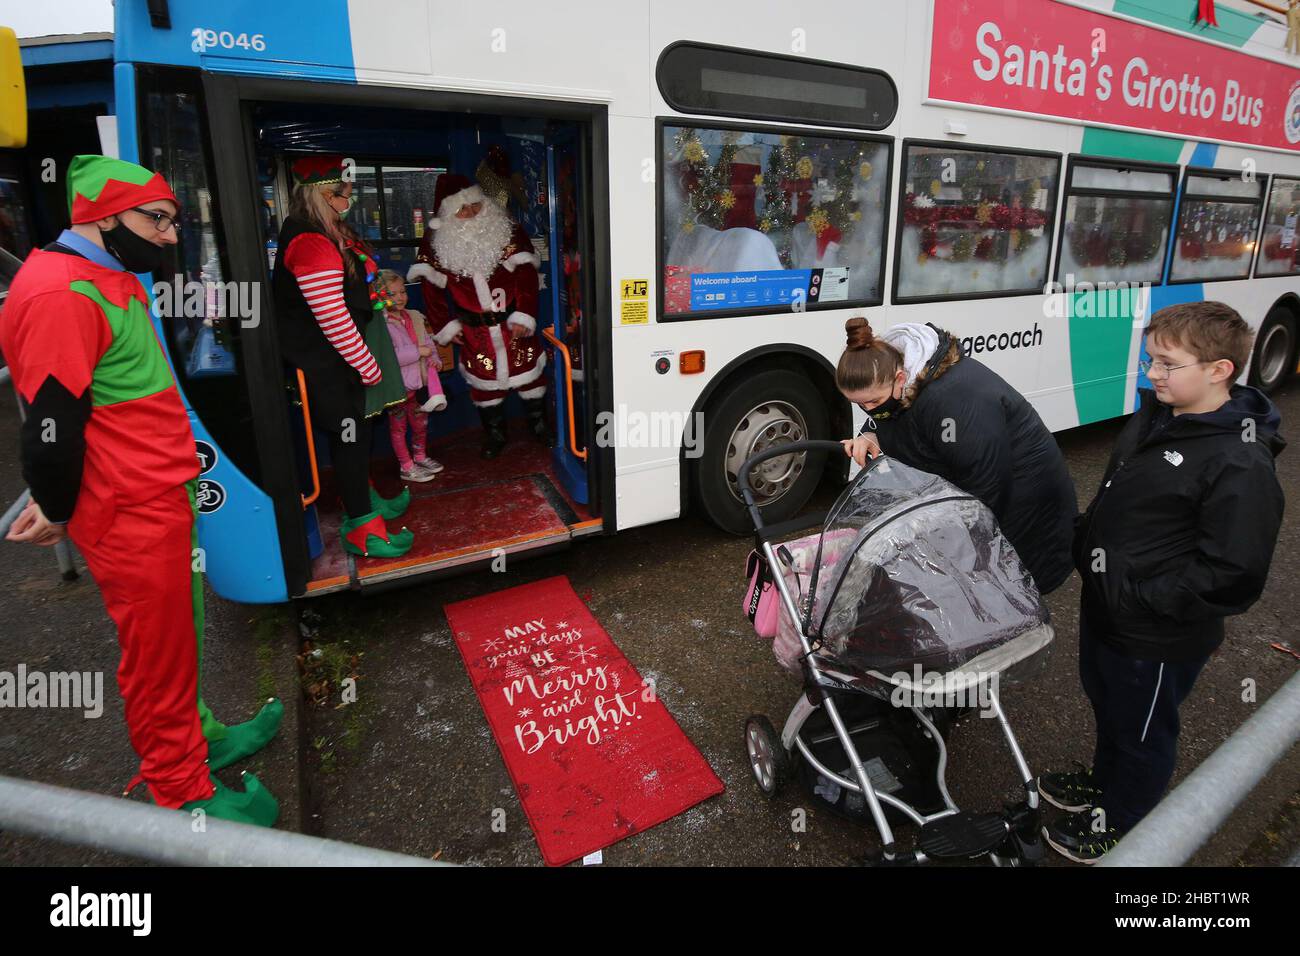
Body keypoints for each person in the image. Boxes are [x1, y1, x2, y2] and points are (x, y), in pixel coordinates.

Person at [1, 155, 282, 825]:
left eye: (171, 220)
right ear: (102, 218)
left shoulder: (106, 276)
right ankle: (180, 788)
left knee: (178, 639)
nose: (169, 234)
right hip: (127, 514)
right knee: (155, 658)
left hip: (159, 501)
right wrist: (60, 506)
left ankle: (202, 737)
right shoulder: (60, 293)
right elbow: (49, 429)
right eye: (157, 219)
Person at [1039, 302, 1285, 863]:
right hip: (1109, 610)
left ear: (1219, 370)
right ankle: (1103, 784)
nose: (1152, 373)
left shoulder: (1240, 463)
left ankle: (1128, 824)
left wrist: (1141, 598)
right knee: (1111, 709)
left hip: (1156, 634)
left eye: (1167, 364)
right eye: (1150, 359)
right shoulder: (1159, 415)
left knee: (1144, 734)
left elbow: (1233, 574)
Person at [837, 317, 1076, 595]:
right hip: (987, 485)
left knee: (1012, 589)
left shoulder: (953, 398)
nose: (868, 409)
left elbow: (986, 486)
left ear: (901, 378)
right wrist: (870, 432)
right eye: (859, 405)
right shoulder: (899, 377)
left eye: (873, 402)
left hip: (1023, 499)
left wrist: (951, 542)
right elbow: (893, 413)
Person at [273, 155, 413, 558]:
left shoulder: (320, 231)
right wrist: (366, 364)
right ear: (326, 194)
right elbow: (332, 317)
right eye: (346, 192)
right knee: (351, 438)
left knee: (357, 437)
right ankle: (363, 529)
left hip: (336, 362)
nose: (350, 199)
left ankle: (362, 501)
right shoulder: (311, 242)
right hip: (330, 365)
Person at [406, 171, 551, 459]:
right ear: (449, 215)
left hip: (513, 325)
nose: (472, 213)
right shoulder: (438, 243)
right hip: (475, 332)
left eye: (476, 205)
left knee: (530, 377)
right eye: (462, 209)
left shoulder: (506, 230)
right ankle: (495, 434)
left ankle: (540, 426)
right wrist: (444, 325)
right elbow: (431, 290)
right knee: (484, 386)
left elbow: (525, 276)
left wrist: (524, 314)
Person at [379, 269, 446, 482]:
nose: (400, 297)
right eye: (392, 294)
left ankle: (420, 456)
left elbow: (428, 343)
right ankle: (406, 466)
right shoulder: (381, 324)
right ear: (380, 296)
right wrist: (418, 352)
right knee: (398, 428)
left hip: (417, 385)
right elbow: (388, 357)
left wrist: (434, 358)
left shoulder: (414, 317)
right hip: (397, 389)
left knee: (420, 424)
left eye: (402, 292)